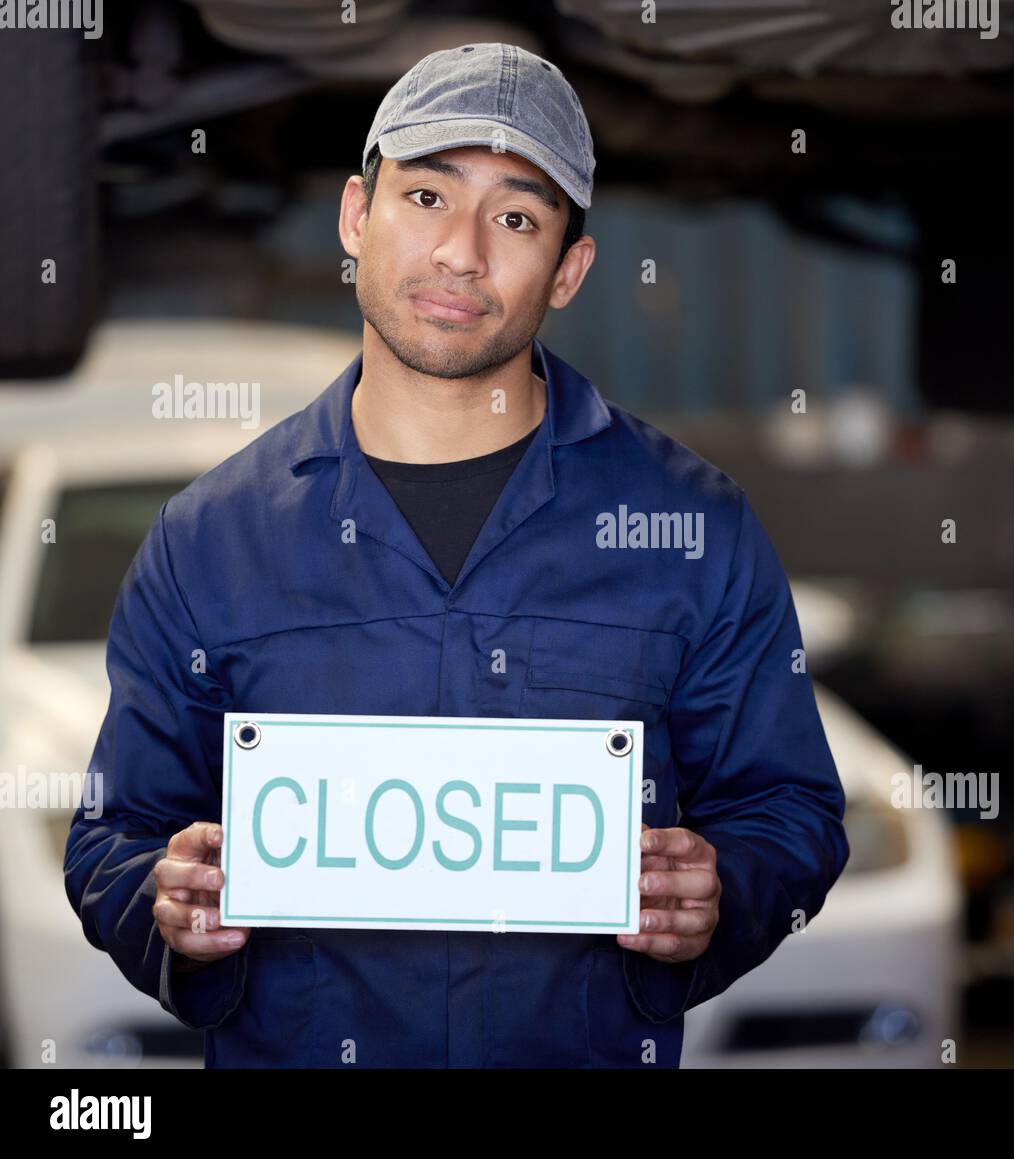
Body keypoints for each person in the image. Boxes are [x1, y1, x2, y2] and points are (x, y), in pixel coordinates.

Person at [64, 41, 849, 1068]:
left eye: (516, 217)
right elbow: (111, 832)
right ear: (356, 216)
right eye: (426, 196)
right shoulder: (210, 540)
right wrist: (159, 898)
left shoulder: (691, 529)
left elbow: (787, 809)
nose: (461, 253)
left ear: (568, 269)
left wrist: (725, 890)